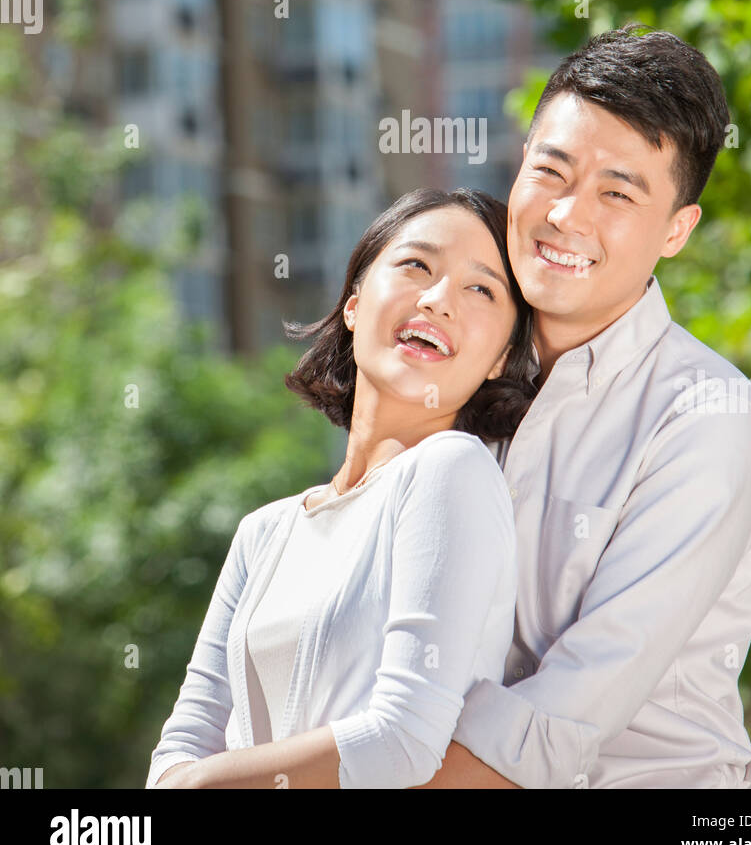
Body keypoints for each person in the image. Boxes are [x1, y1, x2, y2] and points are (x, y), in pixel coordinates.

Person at [413, 23, 751, 789]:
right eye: (552, 172)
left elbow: (550, 729)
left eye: (617, 193)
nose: (565, 217)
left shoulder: (707, 420)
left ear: (678, 230)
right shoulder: (453, 363)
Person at [145, 187, 537, 789]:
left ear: (499, 359)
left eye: (480, 289)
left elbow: (404, 739)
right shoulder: (264, 532)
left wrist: (198, 785)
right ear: (354, 303)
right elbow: (186, 737)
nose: (438, 301)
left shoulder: (451, 471)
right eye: (416, 265)